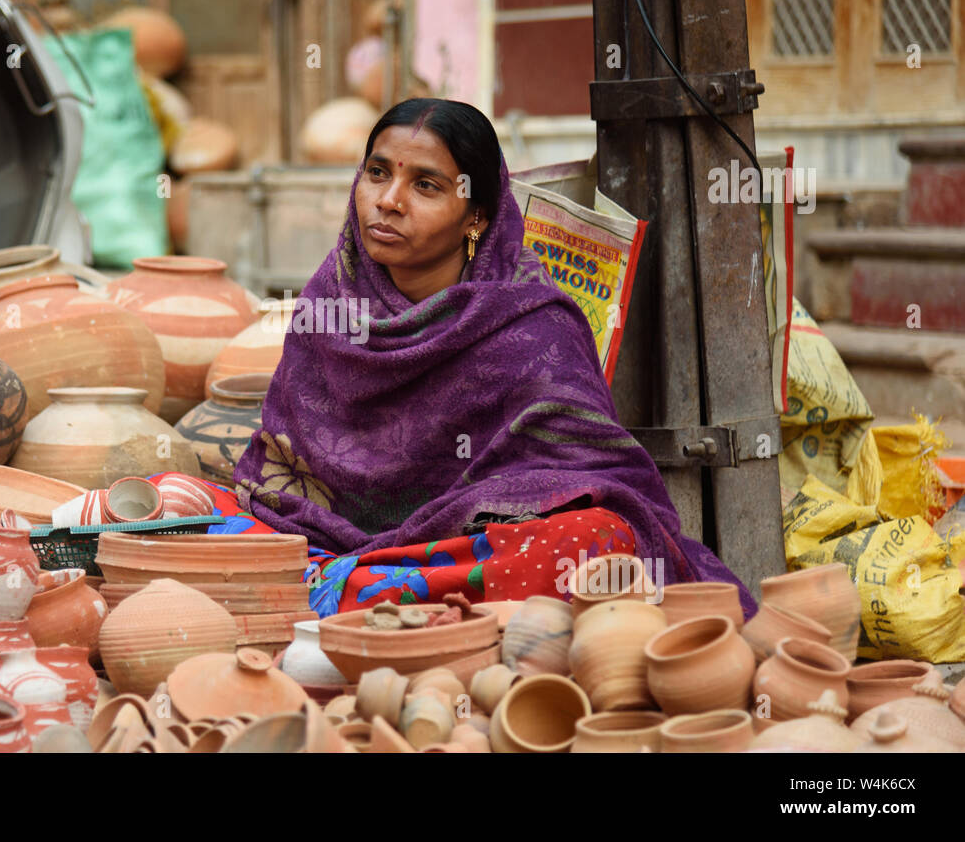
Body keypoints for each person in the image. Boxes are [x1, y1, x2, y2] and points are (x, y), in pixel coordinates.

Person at [158, 98, 749, 617]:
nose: (388, 202)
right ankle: (356, 592)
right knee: (164, 497)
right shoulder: (329, 303)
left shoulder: (532, 326)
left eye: (426, 185)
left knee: (597, 541)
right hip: (320, 542)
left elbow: (592, 480)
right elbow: (283, 478)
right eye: (377, 173)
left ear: (478, 217)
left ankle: (319, 593)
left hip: (465, 553)